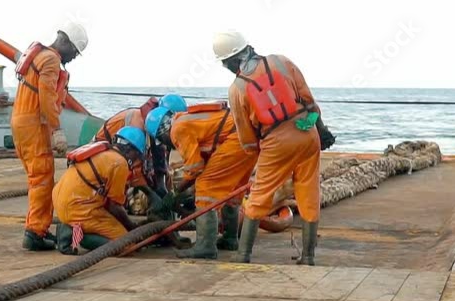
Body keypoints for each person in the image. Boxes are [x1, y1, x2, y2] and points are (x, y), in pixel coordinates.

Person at [213, 30, 333, 265]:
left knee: (259, 196)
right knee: (308, 193)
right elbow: (308, 100)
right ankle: (308, 256)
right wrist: (320, 129)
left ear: (230, 61)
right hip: (307, 134)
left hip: (275, 142)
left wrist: (256, 153)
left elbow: (246, 136)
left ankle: (243, 255)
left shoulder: (236, 89)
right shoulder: (281, 61)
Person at [10, 22, 89, 251]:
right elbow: (46, 98)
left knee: (36, 179)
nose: (73, 57)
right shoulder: (52, 60)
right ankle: (35, 232)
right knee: (43, 179)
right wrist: (56, 130)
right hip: (35, 123)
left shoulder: (39, 55)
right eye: (74, 52)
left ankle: (37, 229)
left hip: (20, 121)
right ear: (65, 43)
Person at [146, 101, 256, 259]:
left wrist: (176, 192)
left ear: (162, 132)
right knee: (231, 191)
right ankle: (230, 239)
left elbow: (195, 168)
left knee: (206, 187)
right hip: (248, 140)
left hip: (235, 141)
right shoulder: (186, 120)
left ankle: (205, 247)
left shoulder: (177, 129)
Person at [53, 127, 148, 255]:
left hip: (61, 202)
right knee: (128, 246)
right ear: (132, 151)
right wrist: (132, 229)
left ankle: (70, 226)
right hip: (79, 210)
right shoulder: (119, 164)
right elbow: (115, 206)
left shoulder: (103, 152)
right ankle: (78, 235)